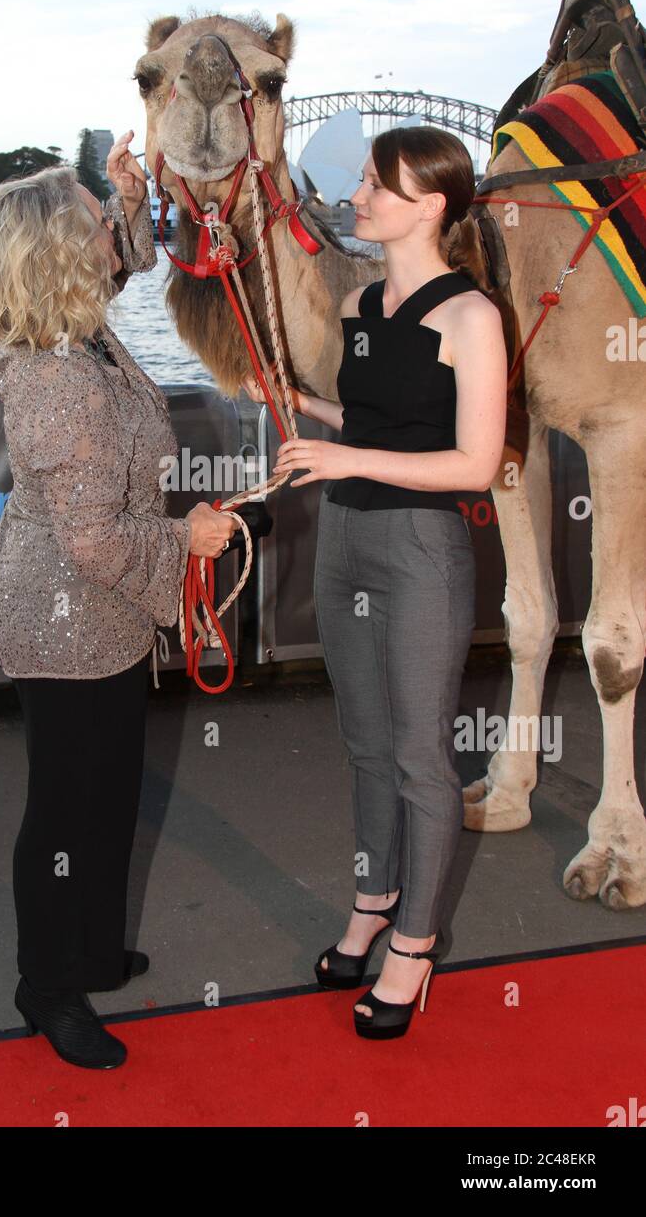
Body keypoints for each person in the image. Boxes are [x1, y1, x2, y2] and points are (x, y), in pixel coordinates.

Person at [0, 132, 239, 1070]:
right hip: (63, 617)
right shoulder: (53, 379)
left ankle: (88, 950)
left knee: (110, 799)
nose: (108, 239)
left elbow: (124, 260)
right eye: (93, 223)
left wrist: (124, 196)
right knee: (68, 813)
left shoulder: (73, 325)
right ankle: (47, 985)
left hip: (105, 610)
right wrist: (185, 539)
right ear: (58, 256)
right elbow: (91, 539)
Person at [243, 126, 507, 1040]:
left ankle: (415, 946)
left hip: (421, 552)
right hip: (344, 539)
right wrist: (290, 398)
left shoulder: (471, 317)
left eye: (375, 184)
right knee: (363, 744)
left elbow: (475, 464)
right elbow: (372, 418)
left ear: (430, 205)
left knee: (419, 757)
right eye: (361, 180)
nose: (357, 196)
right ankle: (372, 899)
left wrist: (344, 450)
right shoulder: (359, 306)